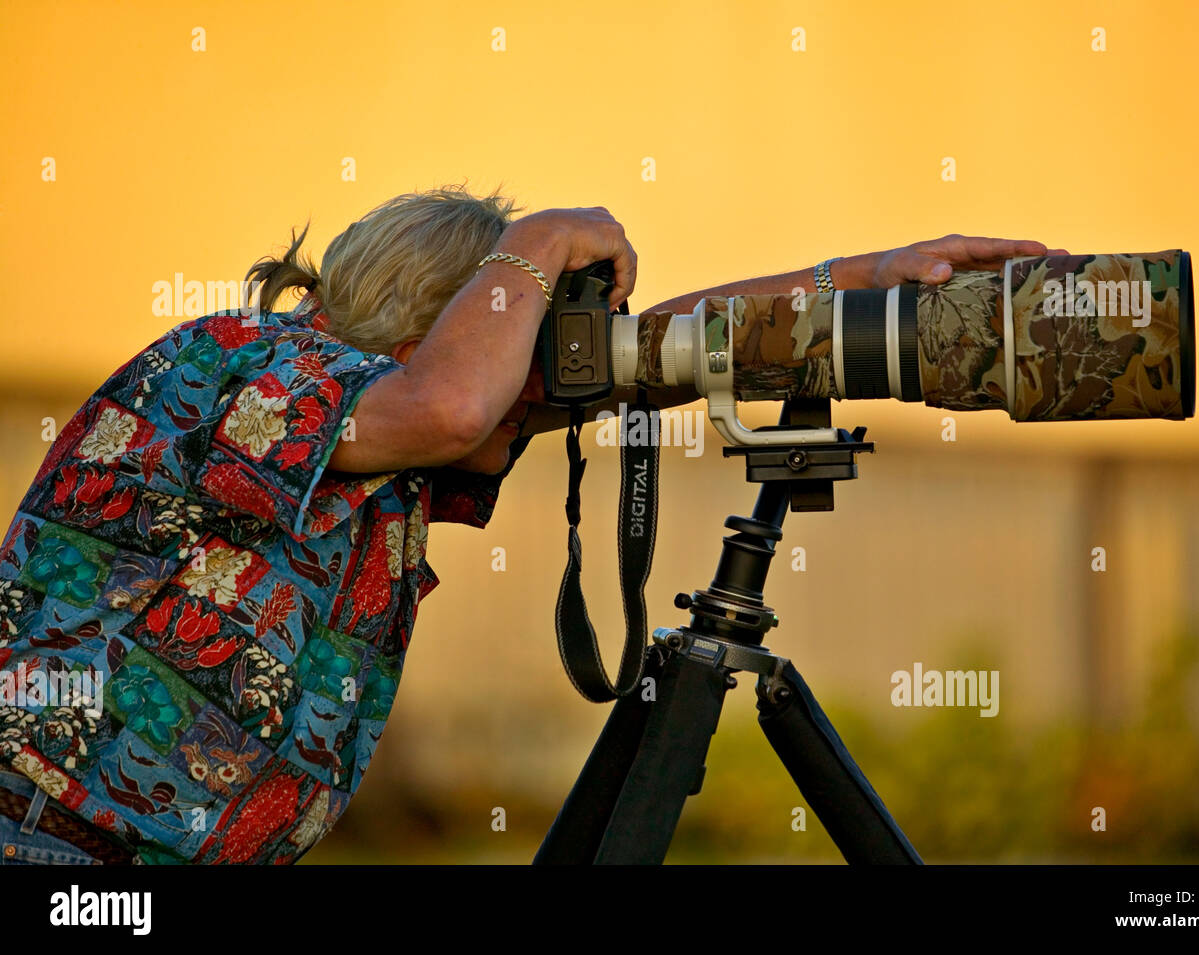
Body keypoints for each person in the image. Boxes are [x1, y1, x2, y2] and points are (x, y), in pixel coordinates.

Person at [0, 183, 1062, 864]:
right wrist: (545, 235)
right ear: (432, 326)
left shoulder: (380, 433)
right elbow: (454, 403)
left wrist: (858, 284)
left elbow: (650, 352)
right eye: (535, 362)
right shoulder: (246, 363)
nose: (551, 404)